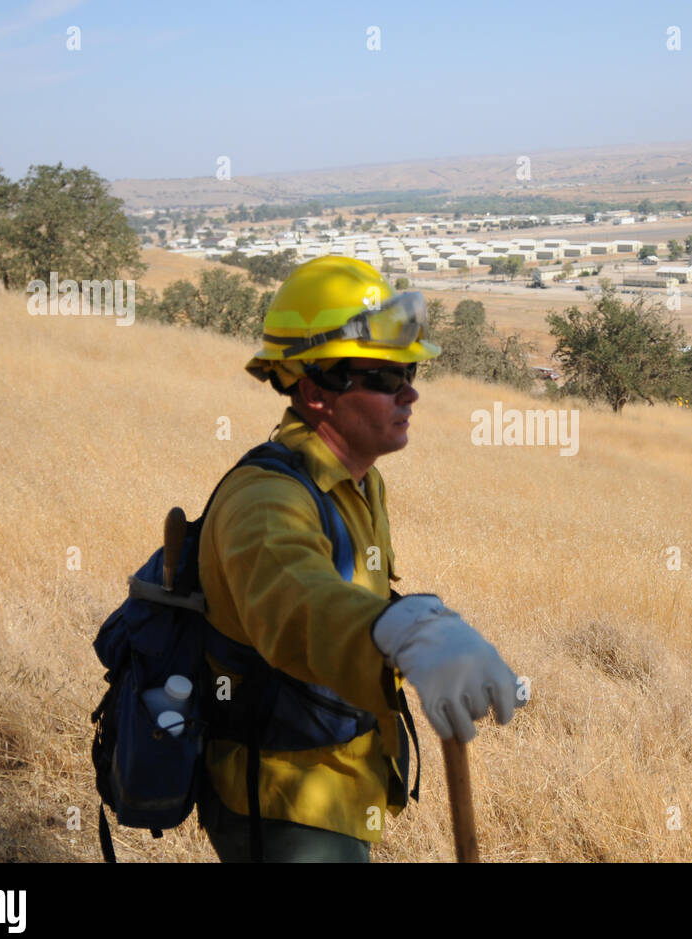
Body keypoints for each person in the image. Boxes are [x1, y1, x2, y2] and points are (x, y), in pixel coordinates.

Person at [195, 255, 523, 862]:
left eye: (411, 369)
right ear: (318, 392)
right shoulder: (265, 500)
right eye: (383, 376)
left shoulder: (356, 480)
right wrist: (404, 631)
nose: (411, 391)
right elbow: (299, 605)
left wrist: (419, 635)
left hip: (335, 780)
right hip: (284, 798)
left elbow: (348, 593)